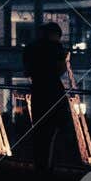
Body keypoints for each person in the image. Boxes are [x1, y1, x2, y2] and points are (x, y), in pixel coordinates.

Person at [22, 21, 67, 171]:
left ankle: (40, 166)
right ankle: (51, 166)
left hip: (38, 91)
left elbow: (27, 71)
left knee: (39, 131)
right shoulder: (57, 48)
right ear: (55, 35)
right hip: (54, 91)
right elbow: (61, 69)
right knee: (56, 130)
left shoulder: (30, 48)